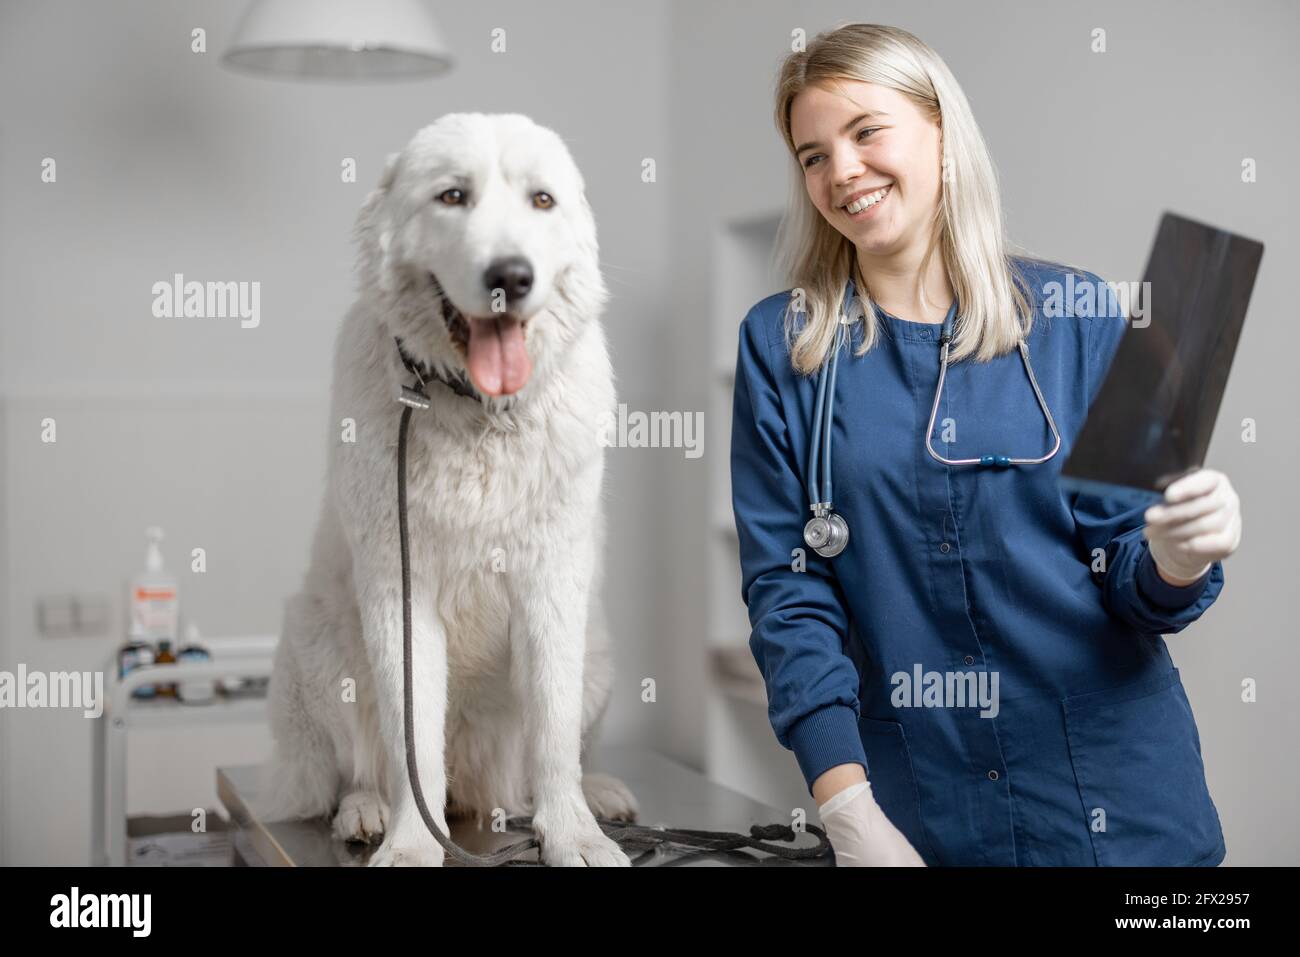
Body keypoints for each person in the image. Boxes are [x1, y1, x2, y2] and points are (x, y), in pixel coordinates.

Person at [729, 23, 1242, 866]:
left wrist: (1175, 557)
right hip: (922, 814)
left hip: (1121, 811)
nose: (840, 171)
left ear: (942, 130)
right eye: (812, 154)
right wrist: (847, 805)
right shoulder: (784, 347)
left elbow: (1132, 577)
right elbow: (790, 596)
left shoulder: (1081, 315)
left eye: (866, 132)